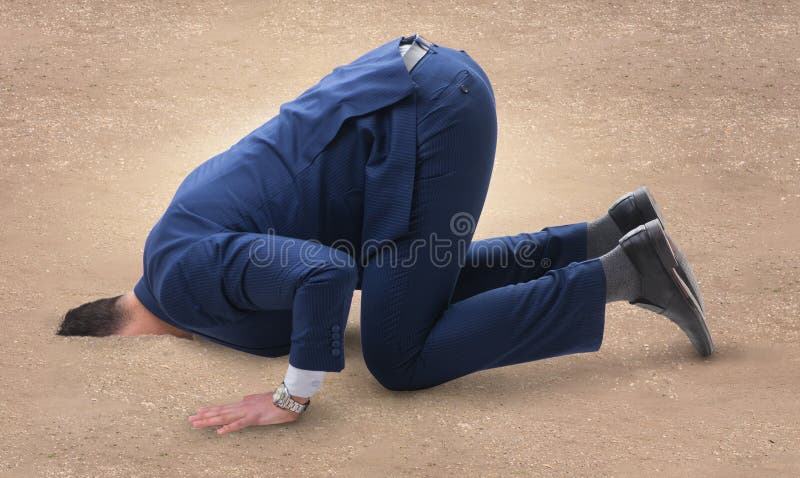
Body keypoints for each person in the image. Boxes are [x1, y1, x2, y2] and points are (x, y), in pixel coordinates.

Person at [57, 35, 713, 434]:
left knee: (398, 356)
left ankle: (627, 275)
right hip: (416, 94)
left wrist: (295, 394)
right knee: (405, 297)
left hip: (426, 113)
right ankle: (606, 237)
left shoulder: (185, 276)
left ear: (124, 336)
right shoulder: (176, 247)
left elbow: (325, 275)